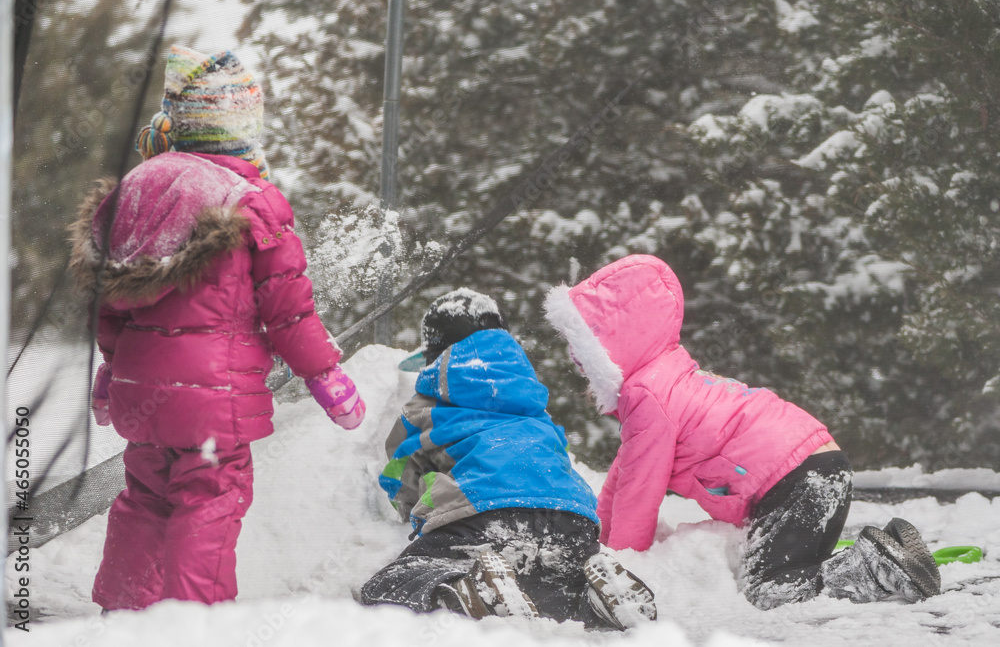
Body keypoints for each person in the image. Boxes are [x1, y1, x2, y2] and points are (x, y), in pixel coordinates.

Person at [70, 46, 366, 611]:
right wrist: (325, 376)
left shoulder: (132, 193)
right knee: (211, 498)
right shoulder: (252, 203)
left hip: (144, 396)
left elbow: (110, 302)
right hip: (215, 400)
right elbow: (289, 312)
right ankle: (196, 623)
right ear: (241, 130)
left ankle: (124, 613)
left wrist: (112, 369)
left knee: (146, 496)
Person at [543, 254, 941, 609]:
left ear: (614, 341)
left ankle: (878, 565)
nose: (575, 356)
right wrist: (595, 533)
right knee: (798, 567)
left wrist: (622, 561)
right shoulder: (666, 379)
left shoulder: (648, 395)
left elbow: (638, 491)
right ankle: (887, 551)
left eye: (582, 342)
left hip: (793, 480)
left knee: (771, 589)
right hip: (816, 466)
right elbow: (625, 471)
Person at [359, 289, 656, 630]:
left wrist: (407, 506)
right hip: (571, 516)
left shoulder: (424, 405)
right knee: (551, 590)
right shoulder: (530, 400)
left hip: (479, 515)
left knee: (390, 584)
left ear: (435, 351)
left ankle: (471, 587)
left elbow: (400, 469)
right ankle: (597, 596)